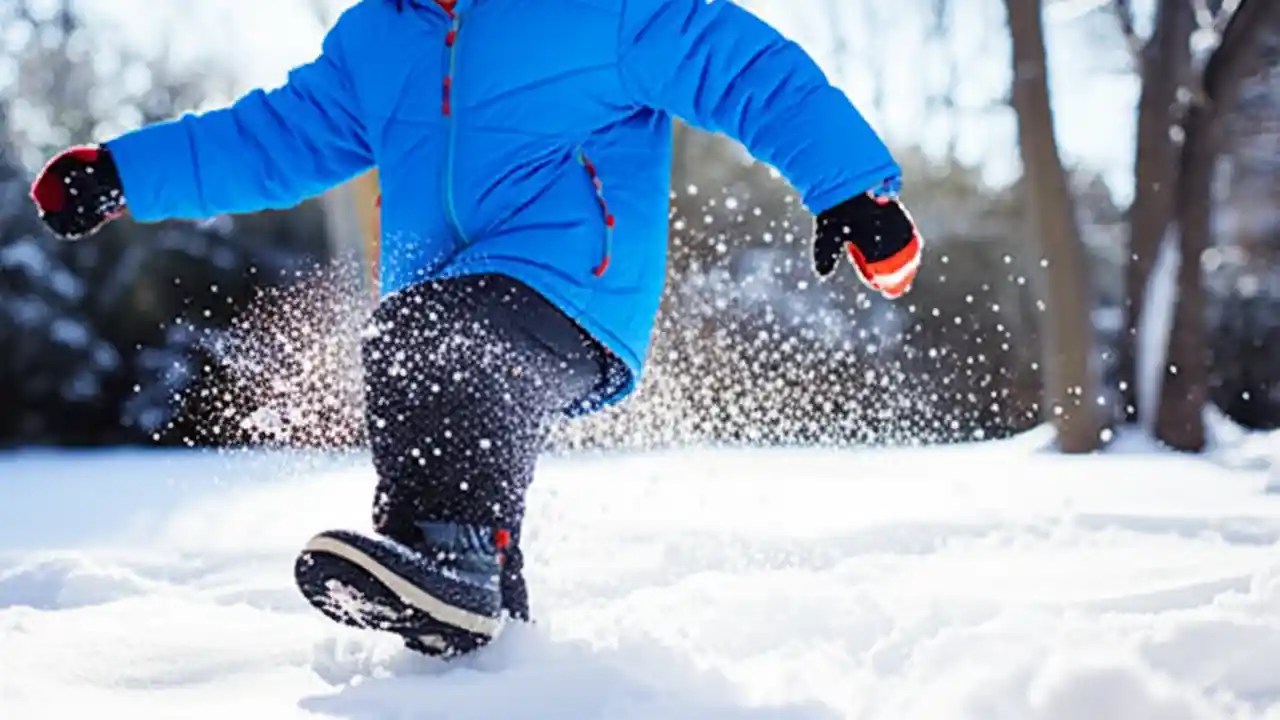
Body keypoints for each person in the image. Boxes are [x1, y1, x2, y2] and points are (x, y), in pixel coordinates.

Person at [29, 0, 924, 658]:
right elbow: (271, 139)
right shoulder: (377, 37)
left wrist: (850, 187)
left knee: (431, 342)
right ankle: (481, 649)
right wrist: (123, 173)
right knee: (412, 369)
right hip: (441, 309)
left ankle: (454, 562)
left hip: (574, 289)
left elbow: (744, 68)